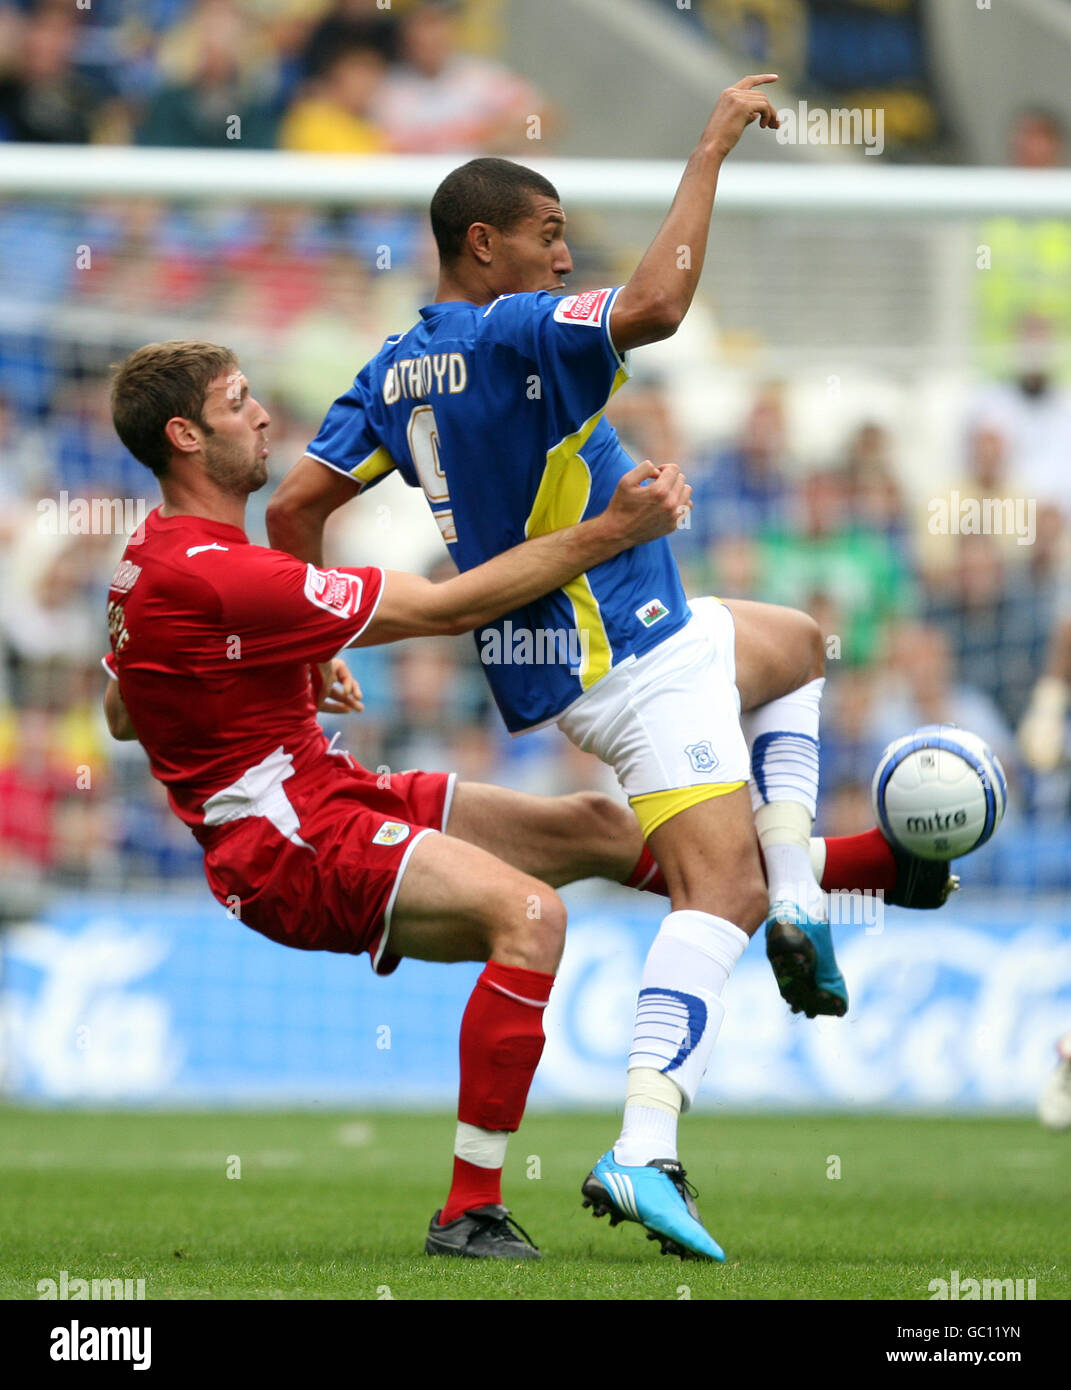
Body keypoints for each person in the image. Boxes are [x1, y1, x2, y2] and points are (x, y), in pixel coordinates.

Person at [266, 77, 957, 1260]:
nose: (558, 259)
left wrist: (314, 643)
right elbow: (659, 303)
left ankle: (800, 892)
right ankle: (645, 1142)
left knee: (795, 645)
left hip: (611, 639)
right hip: (623, 651)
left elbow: (292, 506)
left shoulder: (393, 367)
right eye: (546, 239)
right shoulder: (514, 327)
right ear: (482, 247)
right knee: (714, 893)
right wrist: (710, 146)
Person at [103, 339, 690, 1260]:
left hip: (323, 789)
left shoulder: (160, 556)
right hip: (283, 842)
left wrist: (282, 657)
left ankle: (843, 874)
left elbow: (123, 711)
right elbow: (450, 610)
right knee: (531, 919)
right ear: (184, 435)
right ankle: (469, 1210)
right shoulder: (214, 570)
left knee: (598, 827)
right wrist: (610, 531)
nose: (262, 415)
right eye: (238, 402)